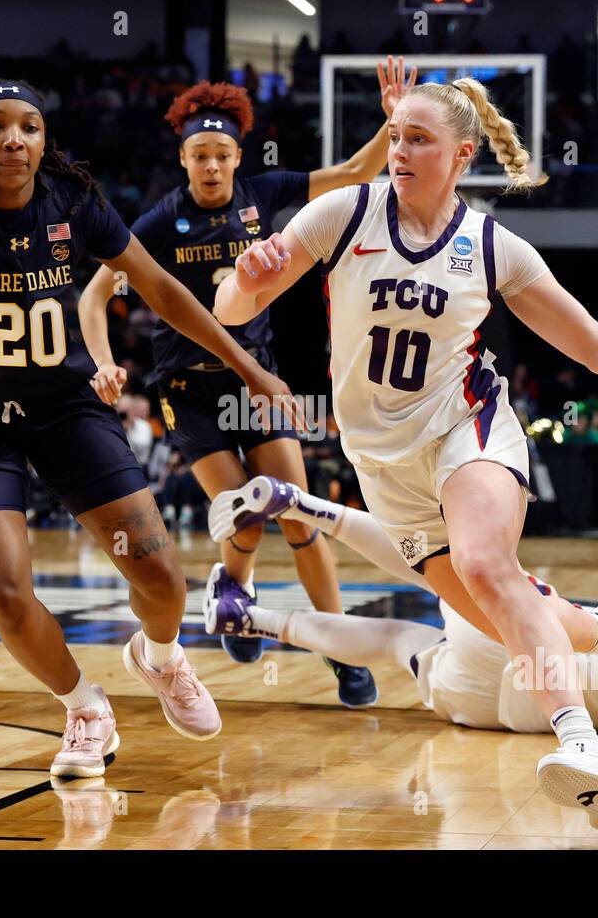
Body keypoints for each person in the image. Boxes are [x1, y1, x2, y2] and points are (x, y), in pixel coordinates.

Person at [212, 76, 598, 828]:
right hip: (381, 461)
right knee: (508, 615)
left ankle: (583, 747)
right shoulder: (343, 212)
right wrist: (244, 283)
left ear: (462, 154)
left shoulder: (495, 247)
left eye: (418, 139)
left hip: (469, 427)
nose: (399, 150)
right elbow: (232, 311)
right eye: (395, 135)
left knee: (486, 565)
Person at [0, 78, 299, 779]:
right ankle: (84, 707)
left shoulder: (74, 202)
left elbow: (161, 290)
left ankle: (161, 658)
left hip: (65, 408)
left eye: (29, 125)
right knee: (3, 593)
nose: (15, 138)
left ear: (43, 141)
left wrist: (249, 367)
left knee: (160, 576)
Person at [78, 61, 420, 706]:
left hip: (257, 383)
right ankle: (235, 590)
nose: (210, 166)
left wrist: (391, 122)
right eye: (198, 155)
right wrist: (101, 360)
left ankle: (339, 649)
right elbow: (94, 297)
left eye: (222, 155)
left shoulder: (263, 195)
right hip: (188, 388)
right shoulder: (157, 222)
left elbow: (352, 174)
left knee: (296, 514)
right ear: (184, 160)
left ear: (238, 158)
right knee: (247, 514)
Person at [205, 479, 598, 739]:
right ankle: (246, 617)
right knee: (400, 638)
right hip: (507, 715)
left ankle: (303, 506)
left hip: (530, 649)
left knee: (433, 560)